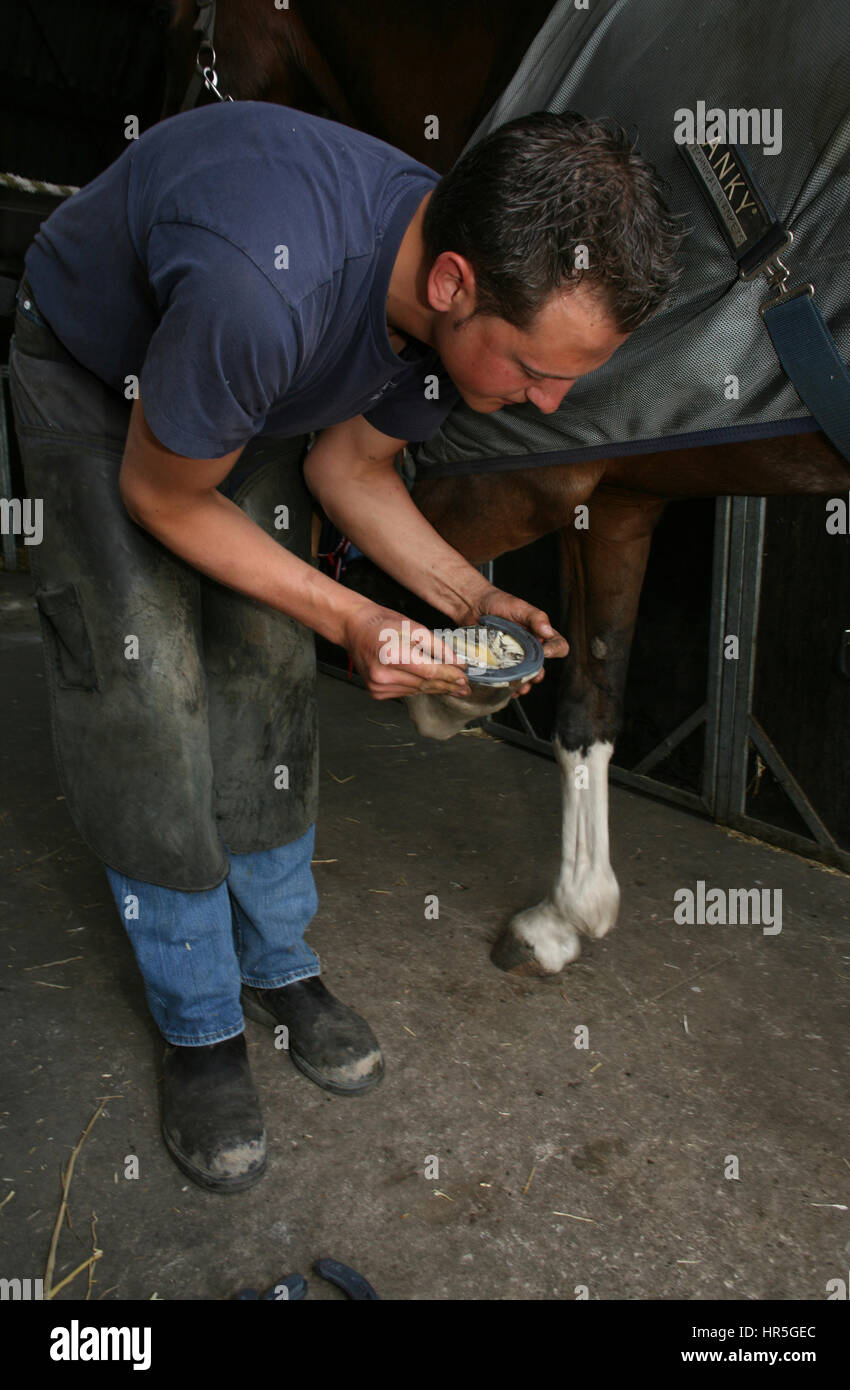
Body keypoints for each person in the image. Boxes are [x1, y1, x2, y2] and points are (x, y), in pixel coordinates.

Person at [9, 104, 680, 1192]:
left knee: (263, 666)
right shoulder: (263, 292)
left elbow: (350, 470)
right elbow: (160, 493)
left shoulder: (446, 293)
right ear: (455, 285)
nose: (547, 403)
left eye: (568, 379)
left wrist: (469, 601)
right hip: (102, 374)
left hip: (253, 386)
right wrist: (354, 617)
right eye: (530, 369)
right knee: (145, 684)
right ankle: (197, 1023)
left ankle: (278, 963)